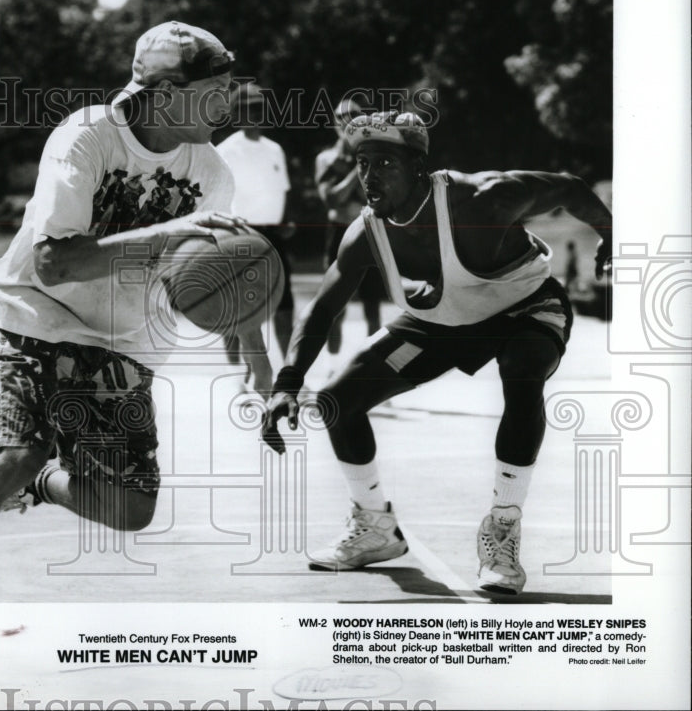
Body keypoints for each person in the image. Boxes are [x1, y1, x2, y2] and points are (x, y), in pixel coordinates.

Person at [0, 21, 272, 602]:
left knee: (133, 509)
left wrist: (258, 358)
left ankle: (41, 482)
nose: (227, 102)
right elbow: (55, 263)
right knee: (17, 449)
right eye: (213, 90)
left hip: (122, 341)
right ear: (164, 93)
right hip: (35, 315)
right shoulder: (85, 137)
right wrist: (170, 233)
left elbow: (224, 271)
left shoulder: (212, 172)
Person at [262, 110, 612, 595]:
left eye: (384, 162)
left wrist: (610, 234)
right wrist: (287, 384)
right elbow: (323, 310)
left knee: (522, 369)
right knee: (338, 402)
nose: (369, 176)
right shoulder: (366, 233)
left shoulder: (482, 199)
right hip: (443, 323)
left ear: (418, 167)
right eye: (362, 163)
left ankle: (502, 528)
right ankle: (375, 526)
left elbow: (570, 187)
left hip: (524, 307)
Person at [215, 82, 295, 385]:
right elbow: (218, 197)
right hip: (242, 234)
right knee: (244, 307)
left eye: (259, 107)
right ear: (236, 112)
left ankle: (290, 372)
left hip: (273, 235)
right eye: (247, 107)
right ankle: (238, 371)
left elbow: (281, 191)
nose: (254, 113)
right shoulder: (226, 151)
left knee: (284, 305)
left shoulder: (275, 149)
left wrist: (286, 222)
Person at [315, 98, 385, 353]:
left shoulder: (374, 156)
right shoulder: (326, 159)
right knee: (334, 306)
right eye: (340, 118)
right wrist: (357, 173)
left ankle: (374, 371)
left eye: (352, 117)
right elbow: (332, 199)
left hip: (369, 232)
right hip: (339, 234)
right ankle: (332, 368)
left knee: (373, 305)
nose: (345, 123)